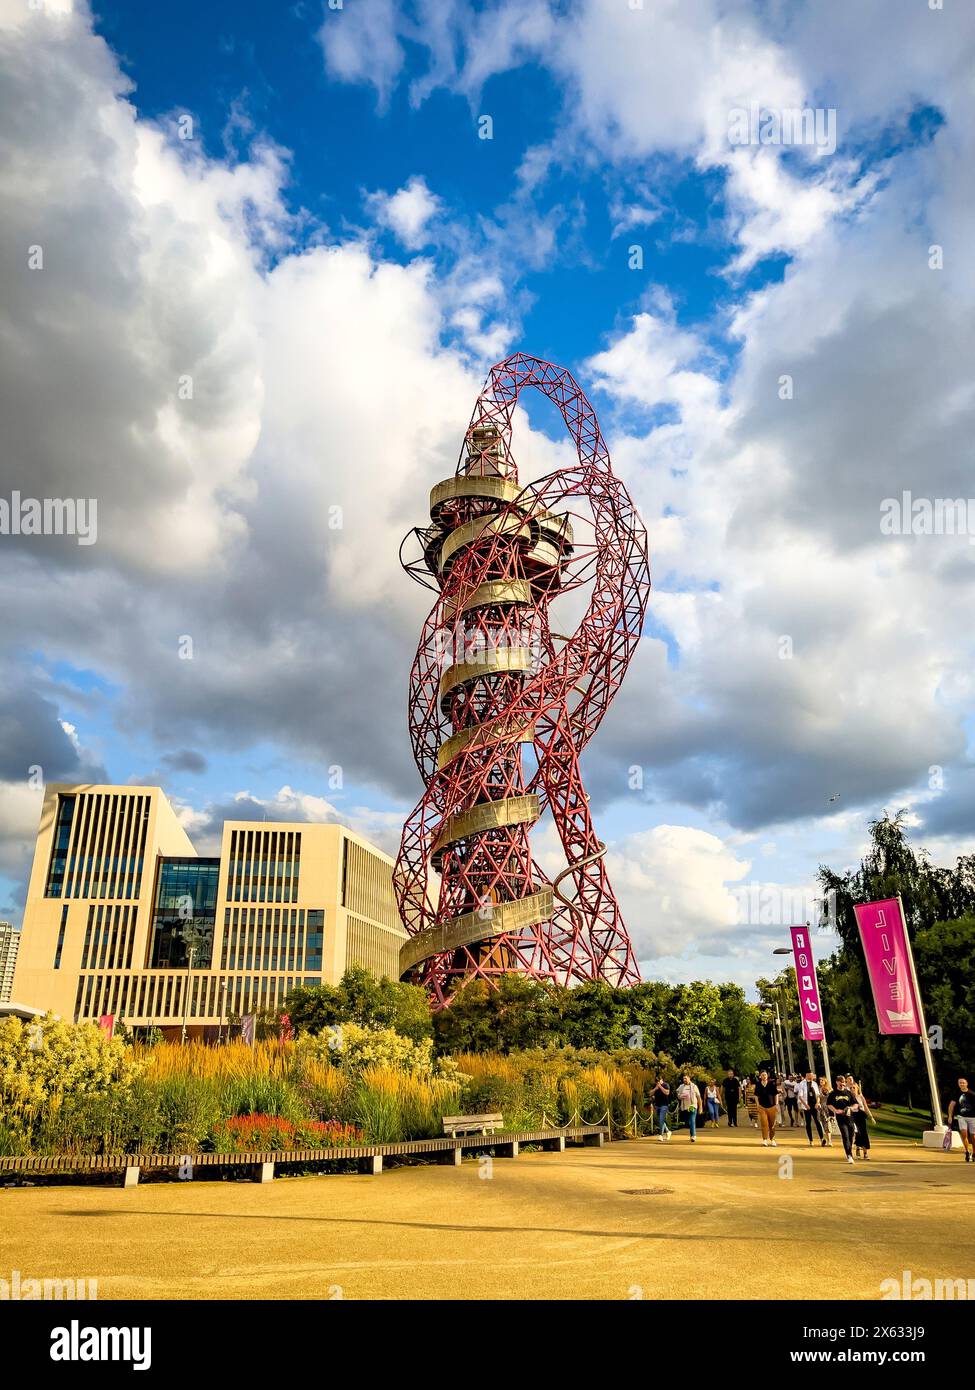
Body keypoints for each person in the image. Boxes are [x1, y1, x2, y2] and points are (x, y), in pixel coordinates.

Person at [827, 1073, 858, 1164]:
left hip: (850, 1117)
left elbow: (856, 1104)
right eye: (840, 1082)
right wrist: (836, 1110)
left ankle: (849, 1149)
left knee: (851, 1136)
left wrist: (851, 1108)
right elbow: (829, 1104)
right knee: (845, 1136)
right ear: (837, 1082)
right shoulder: (833, 1094)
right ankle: (849, 1155)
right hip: (841, 1118)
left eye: (844, 1082)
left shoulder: (849, 1093)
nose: (842, 1084)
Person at [947, 1077, 975, 1163]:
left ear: (966, 1084)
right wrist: (950, 1116)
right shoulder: (956, 1093)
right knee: (963, 1134)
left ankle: (974, 1152)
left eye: (963, 1082)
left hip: (972, 1117)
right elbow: (951, 1105)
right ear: (958, 1084)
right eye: (960, 1083)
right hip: (961, 1117)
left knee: (973, 1137)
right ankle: (967, 1151)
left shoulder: (972, 1094)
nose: (962, 1084)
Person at [797, 1071, 825, 1146]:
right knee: (808, 1123)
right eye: (810, 1075)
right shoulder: (802, 1084)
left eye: (812, 1075)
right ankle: (811, 1140)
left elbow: (818, 1095)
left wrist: (818, 1103)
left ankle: (822, 1138)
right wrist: (805, 1105)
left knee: (817, 1121)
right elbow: (800, 1096)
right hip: (806, 1106)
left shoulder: (814, 1084)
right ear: (807, 1075)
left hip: (814, 1105)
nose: (812, 1077)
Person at [849, 1077, 874, 1160]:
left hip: (861, 1116)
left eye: (854, 1088)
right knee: (857, 1133)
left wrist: (871, 1117)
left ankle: (865, 1152)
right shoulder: (848, 1097)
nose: (852, 1089)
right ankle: (857, 1149)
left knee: (863, 1134)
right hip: (853, 1116)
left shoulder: (861, 1097)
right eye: (851, 1088)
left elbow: (866, 1108)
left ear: (857, 1088)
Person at [754, 1069, 780, 1147]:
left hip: (771, 1106)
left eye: (765, 1075)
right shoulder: (758, 1084)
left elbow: (776, 1094)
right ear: (760, 1076)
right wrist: (757, 1104)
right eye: (762, 1075)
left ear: (767, 1076)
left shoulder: (771, 1083)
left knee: (772, 1124)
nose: (764, 1076)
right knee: (764, 1123)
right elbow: (756, 1095)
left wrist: (776, 1104)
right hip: (762, 1107)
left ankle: (772, 1139)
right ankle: (765, 1139)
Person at [676, 1073, 702, 1142]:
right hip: (685, 1107)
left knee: (692, 1120)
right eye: (683, 1079)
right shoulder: (681, 1086)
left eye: (686, 1078)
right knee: (689, 1122)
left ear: (689, 1078)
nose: (684, 1080)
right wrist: (680, 1096)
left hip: (692, 1106)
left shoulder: (694, 1086)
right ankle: (691, 1135)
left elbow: (699, 1097)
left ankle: (693, 1136)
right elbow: (677, 1094)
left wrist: (700, 1107)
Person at [652, 1075, 672, 1142]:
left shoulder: (666, 1085)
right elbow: (650, 1093)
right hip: (657, 1105)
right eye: (656, 1081)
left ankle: (660, 1135)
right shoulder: (655, 1086)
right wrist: (655, 1088)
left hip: (664, 1105)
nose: (657, 1082)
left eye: (658, 1081)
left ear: (661, 1080)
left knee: (661, 1119)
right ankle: (668, 1131)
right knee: (661, 1120)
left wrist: (660, 1087)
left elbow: (667, 1093)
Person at [818, 1076, 834, 1146]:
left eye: (822, 1081)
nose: (821, 1082)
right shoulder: (818, 1089)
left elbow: (833, 1098)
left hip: (829, 1108)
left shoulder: (830, 1089)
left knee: (828, 1124)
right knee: (824, 1124)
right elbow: (818, 1097)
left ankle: (829, 1140)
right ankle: (827, 1140)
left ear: (825, 1081)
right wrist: (818, 1103)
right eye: (820, 1081)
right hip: (822, 1108)